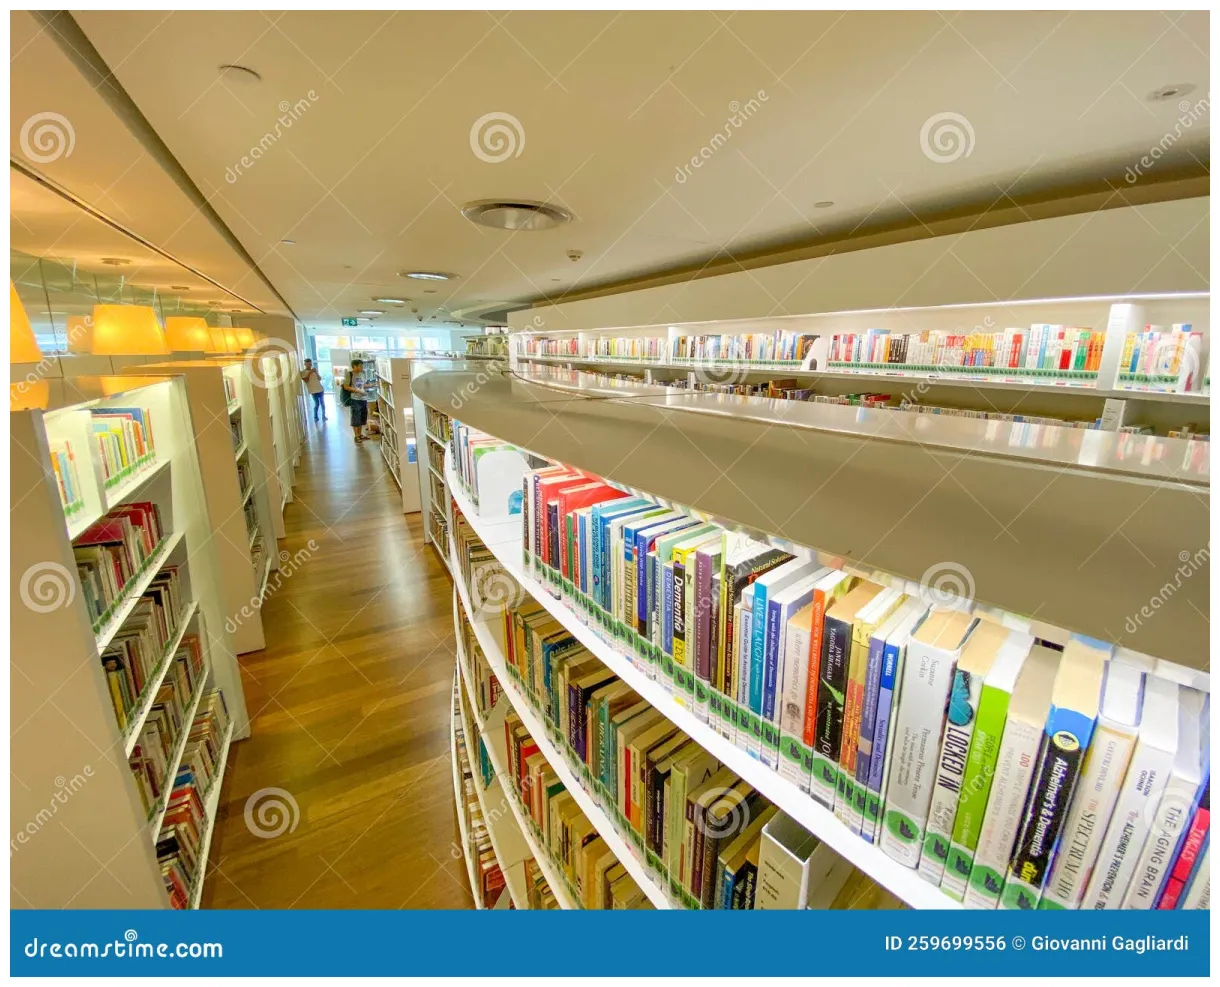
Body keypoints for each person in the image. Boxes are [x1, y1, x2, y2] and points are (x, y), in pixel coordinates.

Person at [342, 358, 369, 443]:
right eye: (360, 366)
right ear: (354, 366)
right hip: (355, 399)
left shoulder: (362, 373)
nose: (362, 367)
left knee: (362, 417)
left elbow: (362, 385)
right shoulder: (349, 374)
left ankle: (360, 434)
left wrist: (373, 385)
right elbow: (346, 386)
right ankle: (356, 436)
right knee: (356, 417)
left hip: (363, 399)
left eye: (362, 366)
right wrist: (358, 391)